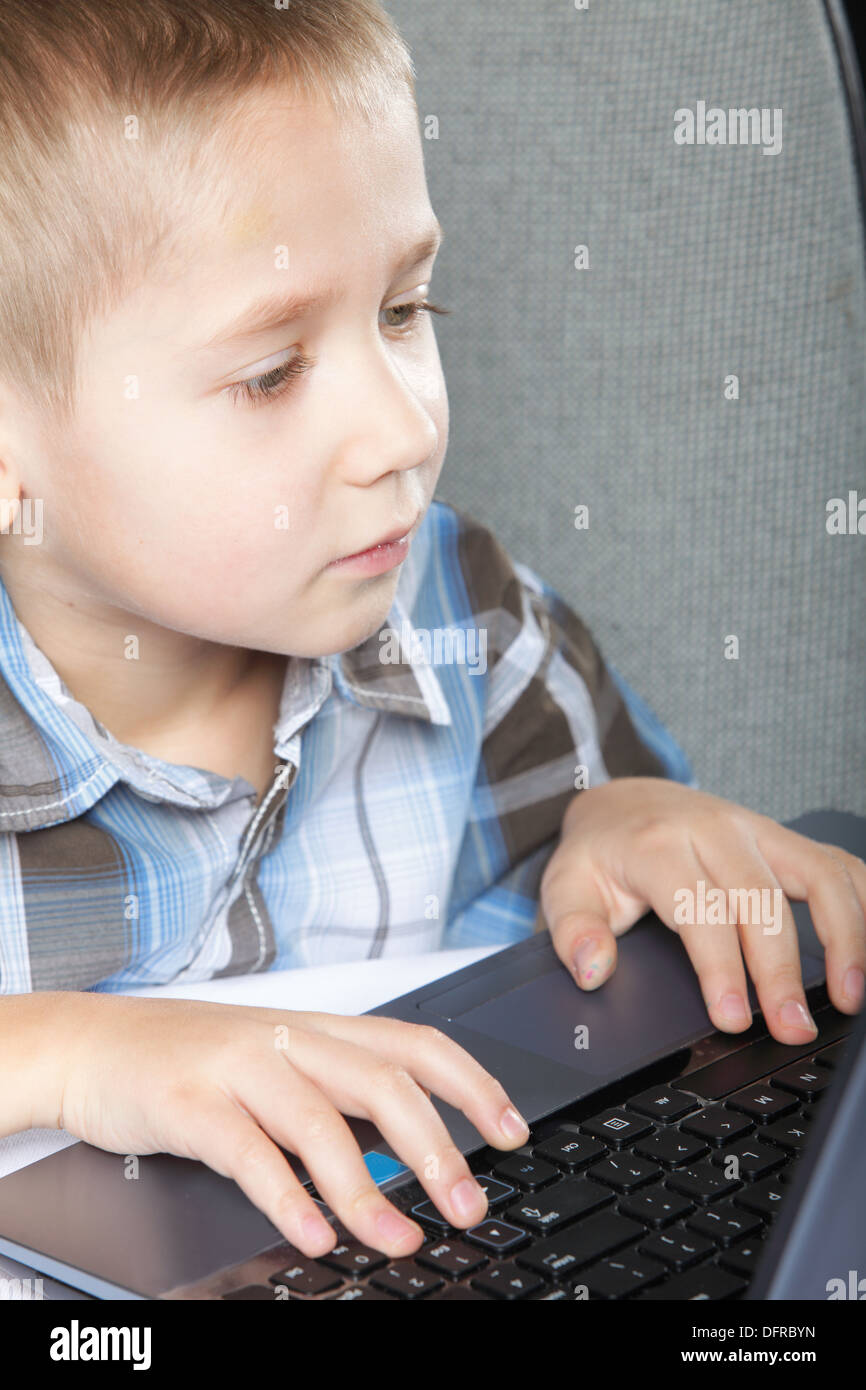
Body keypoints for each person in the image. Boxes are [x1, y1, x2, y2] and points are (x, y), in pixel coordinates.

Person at [0, 0, 862, 1262]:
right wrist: (74, 1051)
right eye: (271, 371)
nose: (405, 432)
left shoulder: (463, 613)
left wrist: (619, 824)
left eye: (405, 311)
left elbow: (601, 866)